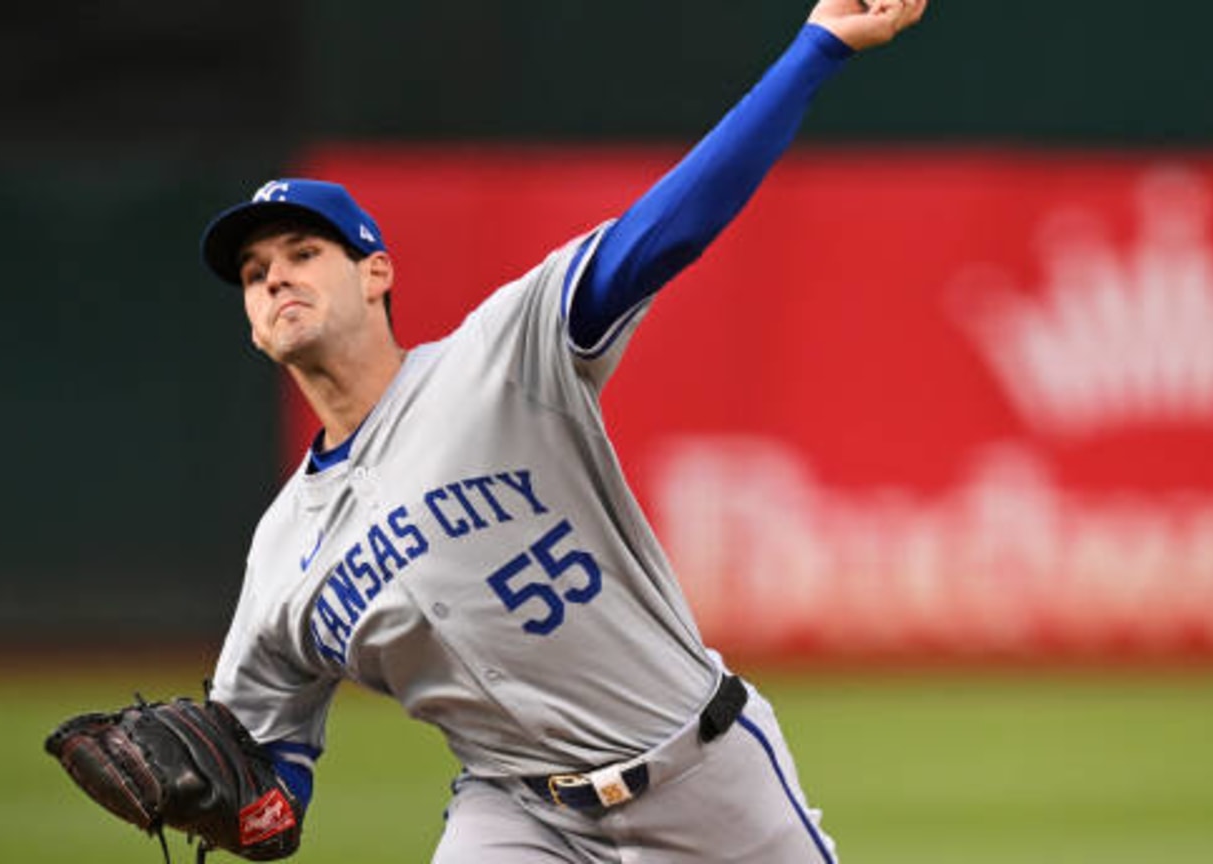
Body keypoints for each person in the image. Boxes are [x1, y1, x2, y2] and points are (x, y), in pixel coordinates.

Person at [198, 2, 927, 861]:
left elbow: (668, 229)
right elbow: (269, 781)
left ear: (375, 272)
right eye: (254, 273)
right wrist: (237, 812)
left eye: (302, 253)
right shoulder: (282, 552)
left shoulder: (502, 356)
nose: (276, 276)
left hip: (704, 778)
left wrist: (818, 48)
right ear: (251, 322)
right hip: (518, 816)